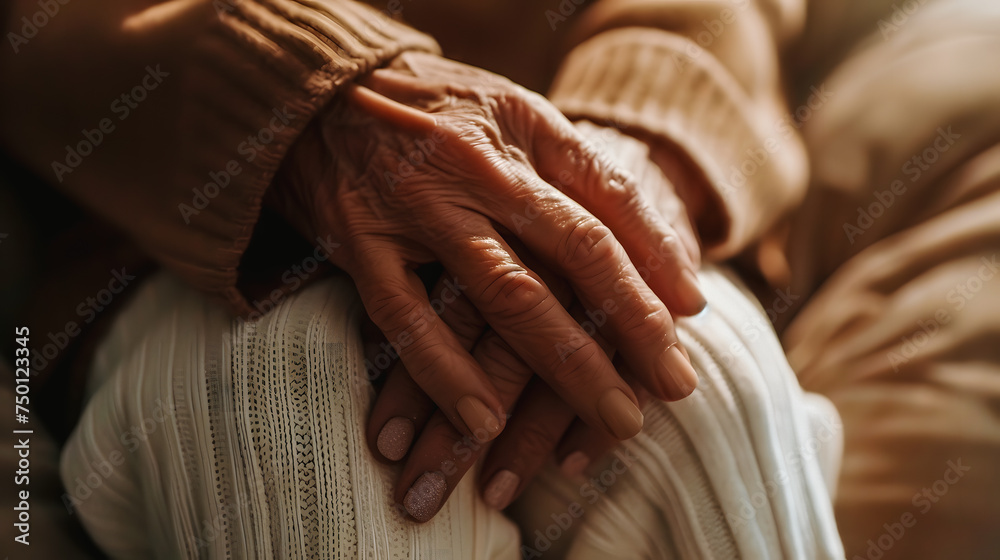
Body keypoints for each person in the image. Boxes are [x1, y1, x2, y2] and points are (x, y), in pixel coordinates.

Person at [0, 0, 998, 558]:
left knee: (698, 394)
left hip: (561, 137)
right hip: (177, 210)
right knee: (290, 411)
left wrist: (635, 145)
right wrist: (300, 94)